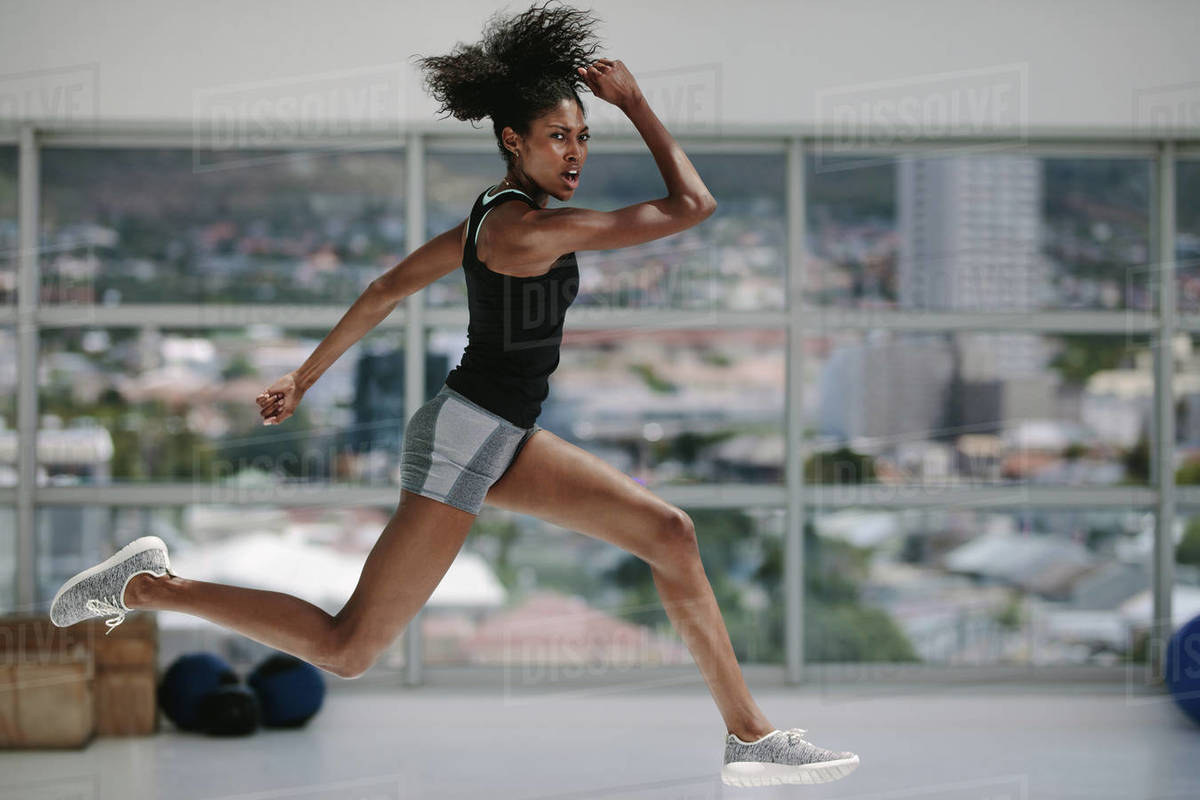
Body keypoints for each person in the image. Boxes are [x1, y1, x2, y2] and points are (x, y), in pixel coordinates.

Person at [48, 1, 858, 787]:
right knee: (348, 649)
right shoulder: (526, 231)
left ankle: (750, 736)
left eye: (583, 135)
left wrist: (303, 375)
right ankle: (145, 585)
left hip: (503, 433)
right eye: (556, 138)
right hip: (468, 440)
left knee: (670, 534)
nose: (575, 154)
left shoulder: (497, 215)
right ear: (514, 141)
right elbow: (694, 206)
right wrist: (637, 103)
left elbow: (386, 286)